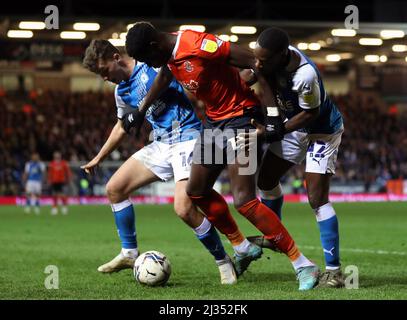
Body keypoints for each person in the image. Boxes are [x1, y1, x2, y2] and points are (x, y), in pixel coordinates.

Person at [125, 21, 320, 290]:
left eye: (147, 58)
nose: (149, 64)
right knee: (197, 190)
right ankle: (241, 246)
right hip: (215, 124)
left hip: (243, 118)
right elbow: (164, 76)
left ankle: (303, 264)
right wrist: (140, 110)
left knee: (245, 201)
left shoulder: (198, 45)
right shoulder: (167, 55)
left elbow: (256, 63)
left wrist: (273, 114)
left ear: (153, 46)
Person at [81, 40, 259, 284]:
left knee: (184, 209)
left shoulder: (150, 65)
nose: (105, 78)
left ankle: (223, 260)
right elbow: (123, 125)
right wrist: (99, 157)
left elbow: (179, 77)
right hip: (161, 143)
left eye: (104, 71)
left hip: (186, 137)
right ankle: (130, 253)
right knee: (115, 188)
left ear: (115, 57)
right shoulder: (120, 91)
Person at [246, 27, 345, 288]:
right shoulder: (272, 61)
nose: (258, 63)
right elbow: (257, 74)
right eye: (257, 58)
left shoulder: (305, 75)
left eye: (264, 60)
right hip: (295, 127)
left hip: (321, 132)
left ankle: (334, 273)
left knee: (316, 198)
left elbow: (310, 114)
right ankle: (272, 233)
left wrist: (275, 130)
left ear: (282, 55)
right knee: (266, 180)